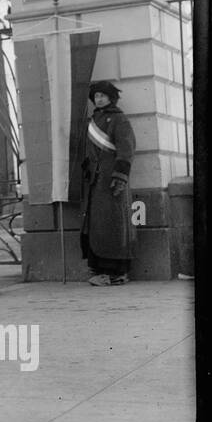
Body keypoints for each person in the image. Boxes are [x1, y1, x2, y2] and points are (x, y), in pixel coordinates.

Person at [80, 80, 136, 286]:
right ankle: (101, 270)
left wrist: (120, 178)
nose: (99, 99)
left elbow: (127, 150)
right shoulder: (93, 120)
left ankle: (117, 273)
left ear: (111, 97)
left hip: (112, 181)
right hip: (95, 181)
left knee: (113, 226)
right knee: (98, 227)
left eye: (103, 95)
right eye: (96, 96)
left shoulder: (119, 120)